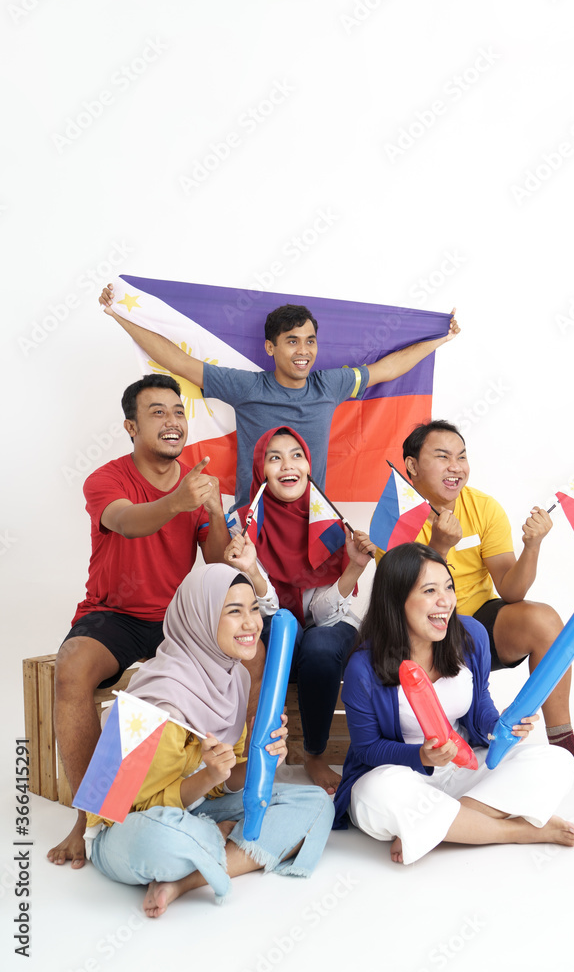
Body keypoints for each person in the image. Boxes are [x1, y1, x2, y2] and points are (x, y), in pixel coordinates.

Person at [48, 374, 233, 870]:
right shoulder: (105, 479)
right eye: (158, 412)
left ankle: (226, 783)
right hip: (113, 615)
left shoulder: (196, 483)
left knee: (249, 653)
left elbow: (217, 563)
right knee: (72, 666)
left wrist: (215, 512)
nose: (172, 421)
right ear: (131, 427)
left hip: (176, 621)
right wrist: (179, 502)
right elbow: (127, 522)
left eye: (178, 412)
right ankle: (88, 818)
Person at [84, 563, 334, 916]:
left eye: (254, 609)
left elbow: (223, 783)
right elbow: (114, 807)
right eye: (234, 611)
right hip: (126, 828)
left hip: (193, 812)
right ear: (199, 618)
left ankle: (184, 881)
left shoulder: (232, 680)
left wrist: (263, 760)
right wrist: (208, 779)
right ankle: (212, 839)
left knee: (317, 804)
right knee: (162, 840)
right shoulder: (153, 697)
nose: (251, 623)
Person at [98, 282, 460, 510]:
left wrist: (440, 339)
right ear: (271, 348)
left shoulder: (329, 385)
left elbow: (388, 369)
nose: (303, 351)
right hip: (253, 521)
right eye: (292, 341)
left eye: (310, 341)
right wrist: (118, 314)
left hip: (312, 519)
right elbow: (177, 361)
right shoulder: (247, 387)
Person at [396, 419, 574, 768]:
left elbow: (511, 590)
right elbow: (402, 595)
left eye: (461, 457)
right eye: (442, 457)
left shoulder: (483, 507)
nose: (455, 467)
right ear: (412, 466)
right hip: (417, 630)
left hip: (475, 628)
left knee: (542, 620)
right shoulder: (395, 512)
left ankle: (564, 741)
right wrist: (438, 547)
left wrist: (532, 546)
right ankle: (470, 732)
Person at [333, 543, 574, 864]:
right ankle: (517, 831)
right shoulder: (363, 667)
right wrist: (421, 756)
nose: (445, 600)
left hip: (463, 767)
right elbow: (367, 749)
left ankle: (438, 826)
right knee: (376, 794)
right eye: (430, 590)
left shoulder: (470, 635)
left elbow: (480, 707)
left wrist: (499, 726)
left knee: (557, 761)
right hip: (401, 774)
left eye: (448, 587)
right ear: (396, 600)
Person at [224, 425, 375, 795]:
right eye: (274, 458)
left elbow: (324, 617)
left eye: (297, 456)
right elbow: (269, 611)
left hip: (329, 627)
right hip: (277, 624)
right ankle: (256, 753)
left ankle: (314, 754)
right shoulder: (244, 522)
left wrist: (354, 568)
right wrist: (252, 571)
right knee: (276, 627)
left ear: (309, 466)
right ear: (260, 470)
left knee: (319, 645)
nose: (287, 465)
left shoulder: (328, 520)